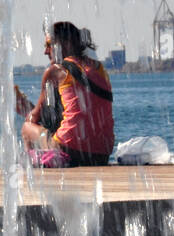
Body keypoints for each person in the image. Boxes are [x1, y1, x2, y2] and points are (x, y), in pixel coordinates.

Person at [14, 21, 114, 167]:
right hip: (101, 154)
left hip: (69, 150)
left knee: (27, 127)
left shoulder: (54, 71)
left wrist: (21, 106)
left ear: (65, 44)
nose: (45, 51)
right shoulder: (99, 68)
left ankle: (33, 164)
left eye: (49, 45)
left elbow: (34, 117)